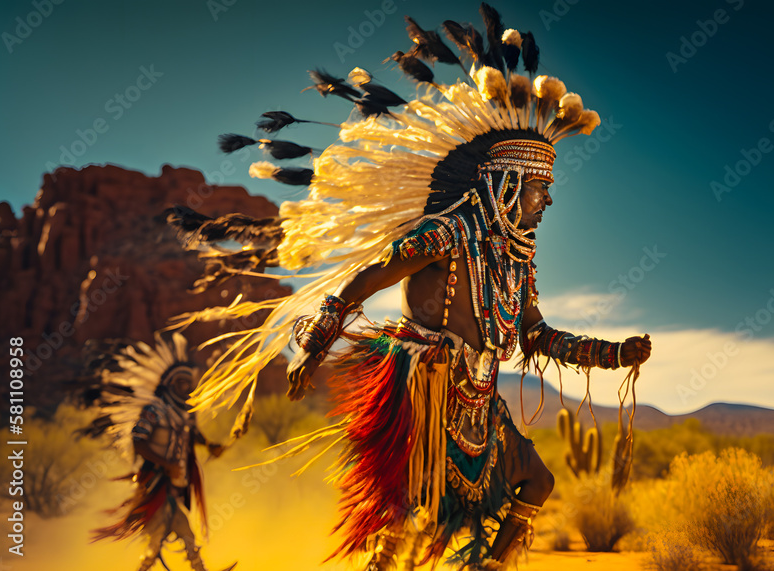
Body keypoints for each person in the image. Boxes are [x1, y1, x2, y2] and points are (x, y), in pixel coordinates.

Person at [170, 4, 650, 568]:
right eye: (540, 188)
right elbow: (367, 279)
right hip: (420, 394)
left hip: (479, 406)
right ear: (509, 184)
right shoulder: (445, 235)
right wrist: (314, 342)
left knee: (537, 483)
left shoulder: (518, 262)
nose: (547, 201)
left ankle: (485, 564)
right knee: (398, 518)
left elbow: (538, 335)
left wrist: (614, 354)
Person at [83, 333, 233, 571]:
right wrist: (166, 465)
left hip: (172, 487)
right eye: (183, 384)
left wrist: (210, 445)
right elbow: (139, 441)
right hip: (154, 484)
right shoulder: (154, 411)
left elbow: (192, 434)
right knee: (165, 536)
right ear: (171, 384)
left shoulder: (185, 413)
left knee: (178, 534)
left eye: (189, 384)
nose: (187, 389)